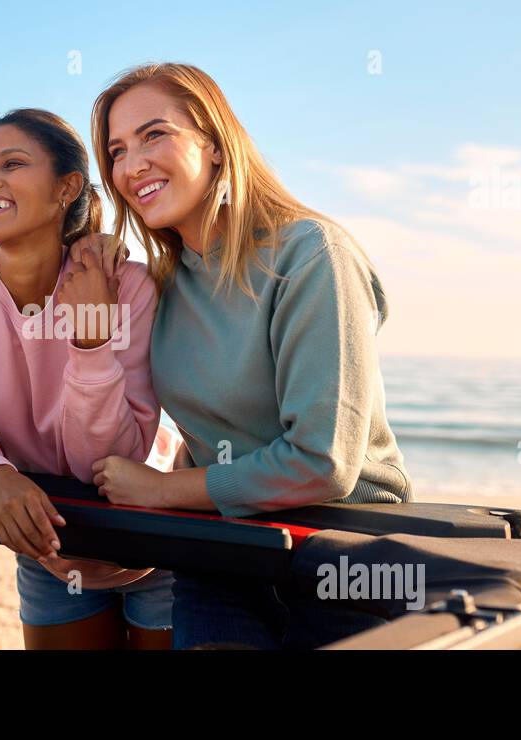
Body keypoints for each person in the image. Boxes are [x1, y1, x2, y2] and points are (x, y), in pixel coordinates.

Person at [87, 63, 413, 649]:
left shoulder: (311, 255)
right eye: (116, 150)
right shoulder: (164, 284)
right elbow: (210, 425)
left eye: (154, 134)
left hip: (345, 554)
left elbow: (322, 462)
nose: (132, 165)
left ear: (213, 144)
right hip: (228, 553)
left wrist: (162, 490)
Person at [0, 108, 172, 649]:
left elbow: (109, 463)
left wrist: (91, 341)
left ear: (67, 187)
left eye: (12, 164)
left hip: (160, 546)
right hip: (50, 553)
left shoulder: (129, 286)